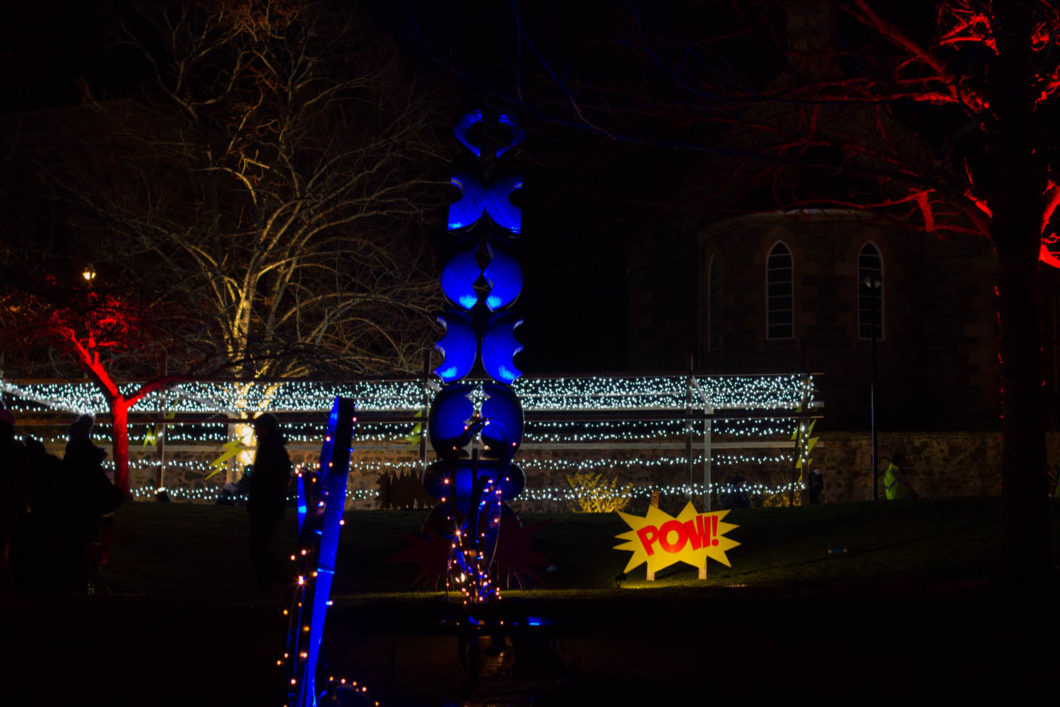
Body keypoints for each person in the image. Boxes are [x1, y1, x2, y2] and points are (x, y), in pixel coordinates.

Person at [59, 414, 123, 593]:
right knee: (85, 552)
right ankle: (85, 585)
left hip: (72, 515)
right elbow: (104, 490)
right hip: (88, 515)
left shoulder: (72, 459)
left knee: (73, 552)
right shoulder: (89, 460)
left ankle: (76, 586)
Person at [247, 413, 291, 592]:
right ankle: (274, 579)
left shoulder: (272, 450)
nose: (256, 431)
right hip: (265, 504)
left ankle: (274, 580)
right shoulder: (269, 447)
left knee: (258, 545)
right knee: (258, 545)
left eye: (259, 428)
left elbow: (275, 478)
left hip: (267, 505)